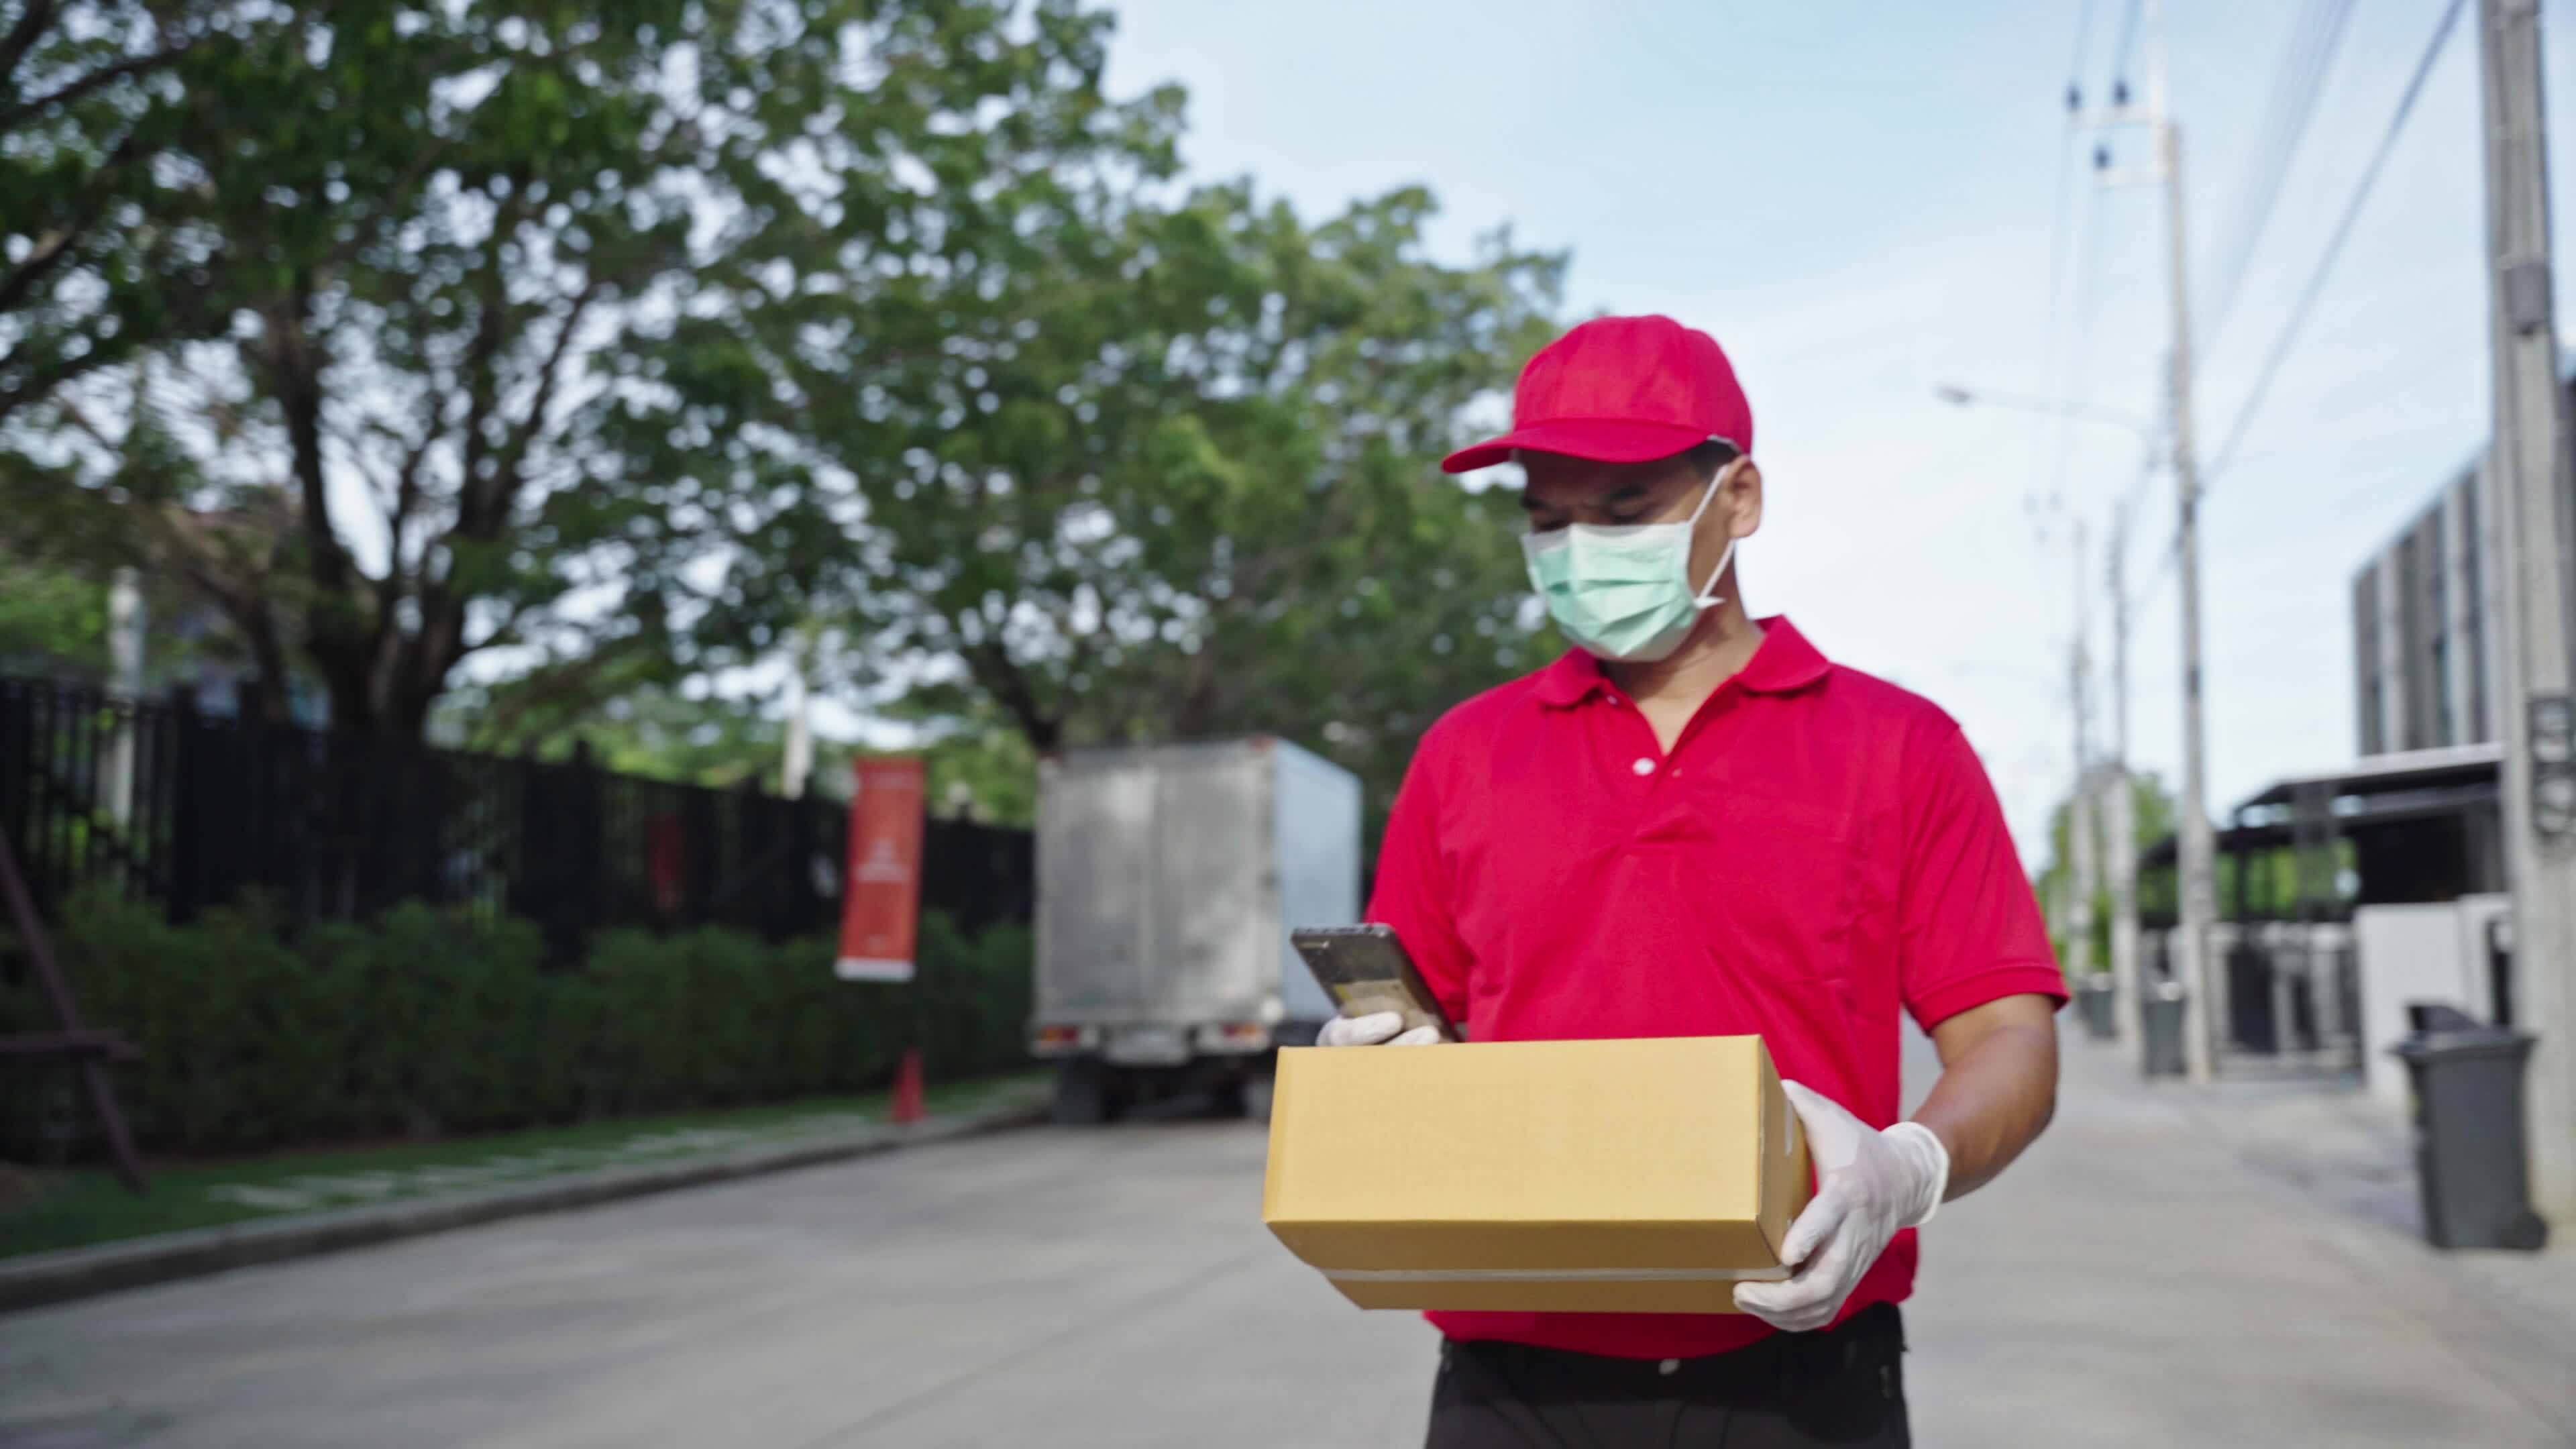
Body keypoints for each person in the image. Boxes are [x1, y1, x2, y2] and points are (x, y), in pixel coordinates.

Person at [1324, 313, 2065, 1448]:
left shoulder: (1898, 747)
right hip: (1515, 1369)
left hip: (1796, 1368)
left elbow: (2009, 1034)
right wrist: (1388, 1066)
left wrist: (1908, 1169)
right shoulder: (1464, 755)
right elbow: (1420, 1030)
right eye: (1547, 518)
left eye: (1623, 511)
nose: (1579, 549)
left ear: (1742, 499)